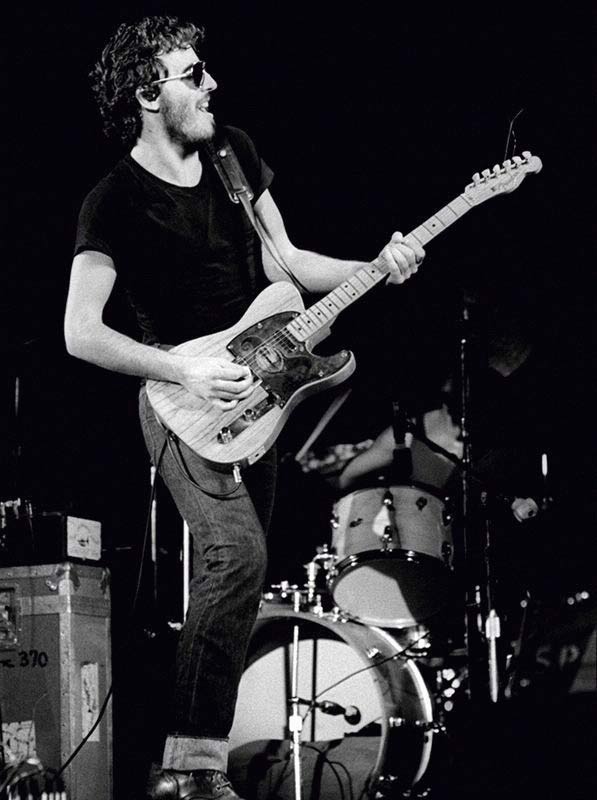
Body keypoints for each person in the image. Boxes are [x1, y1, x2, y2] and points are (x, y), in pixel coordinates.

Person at [63, 15, 424, 800]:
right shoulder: (113, 200)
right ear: (148, 92)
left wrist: (379, 263)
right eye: (193, 74)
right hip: (182, 404)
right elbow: (78, 333)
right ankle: (188, 770)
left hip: (262, 396)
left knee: (244, 571)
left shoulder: (233, 153)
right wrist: (183, 371)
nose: (211, 84)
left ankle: (194, 763)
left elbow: (287, 264)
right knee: (237, 558)